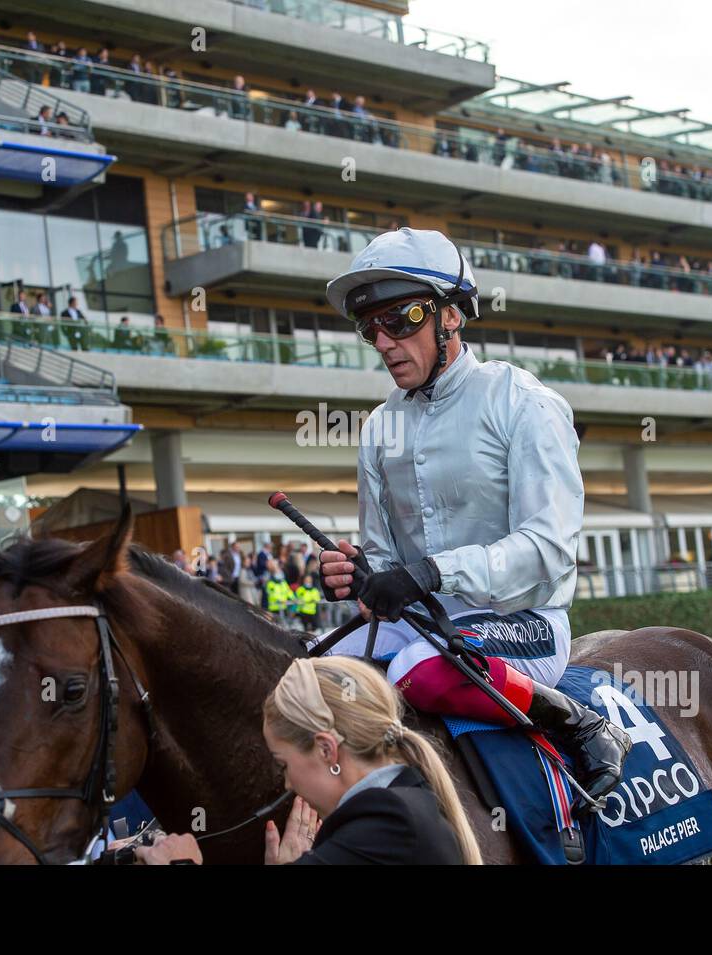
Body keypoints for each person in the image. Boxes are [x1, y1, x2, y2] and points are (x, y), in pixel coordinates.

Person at [318, 228, 630, 802]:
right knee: (309, 682)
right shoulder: (378, 427)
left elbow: (547, 549)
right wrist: (361, 574)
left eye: (403, 319)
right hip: (426, 625)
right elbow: (387, 559)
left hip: (525, 622)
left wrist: (432, 573)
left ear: (452, 316)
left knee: (420, 670)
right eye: (372, 329)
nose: (385, 342)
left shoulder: (524, 403)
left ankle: (575, 720)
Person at [134, 657, 478, 864]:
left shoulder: (387, 820)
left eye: (283, 764)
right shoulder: (407, 803)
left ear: (327, 750)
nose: (286, 784)